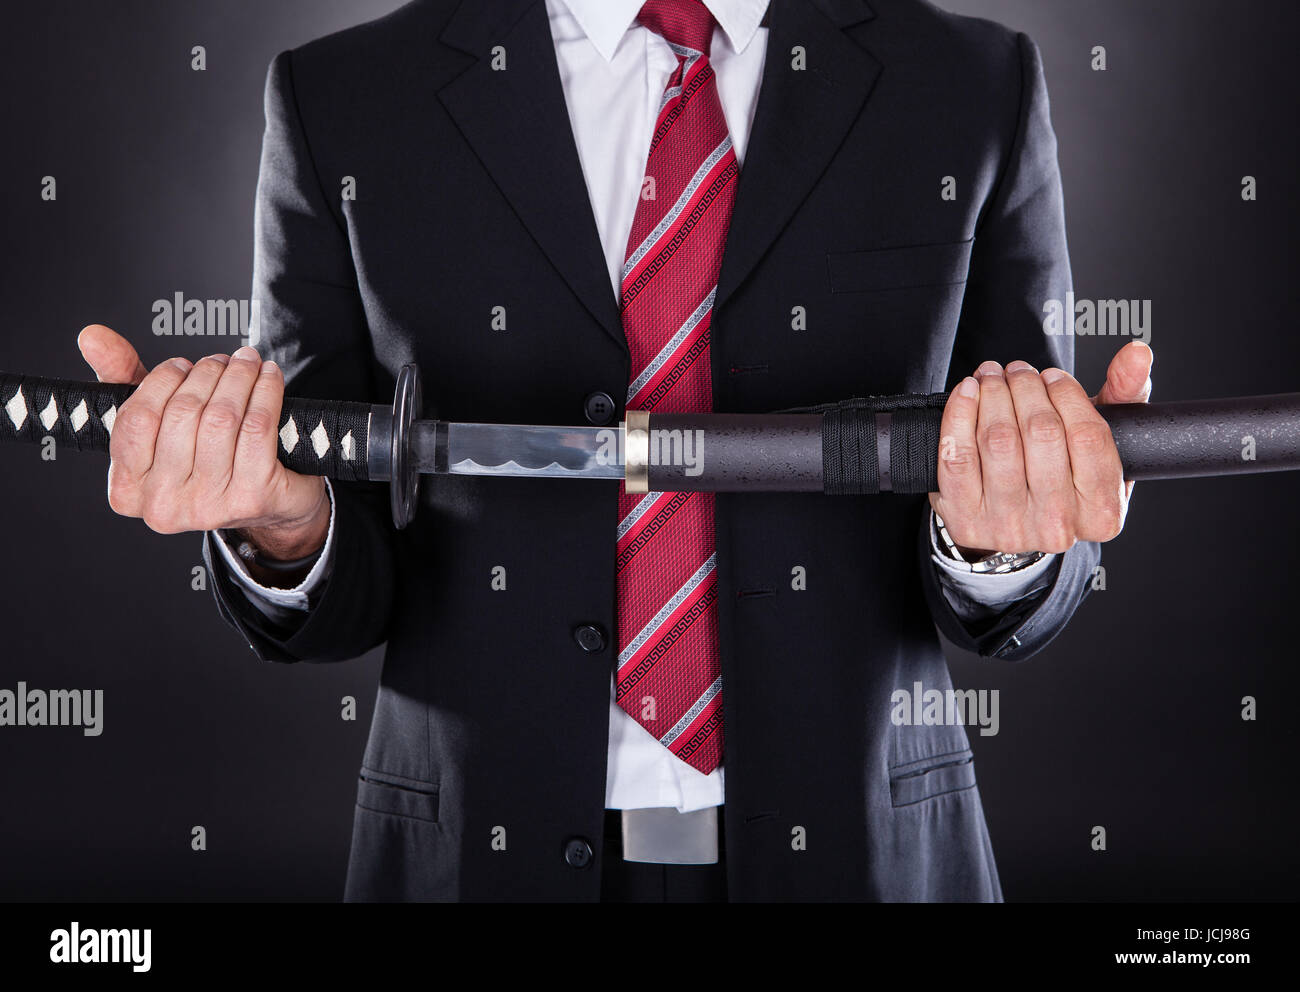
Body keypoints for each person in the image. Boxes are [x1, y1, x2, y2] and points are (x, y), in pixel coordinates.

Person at [76, 0, 1153, 902]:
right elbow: (339, 569)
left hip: (867, 861)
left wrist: (1008, 539)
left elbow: (1031, 517)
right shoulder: (343, 97)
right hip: (470, 863)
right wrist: (279, 521)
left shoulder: (971, 81)